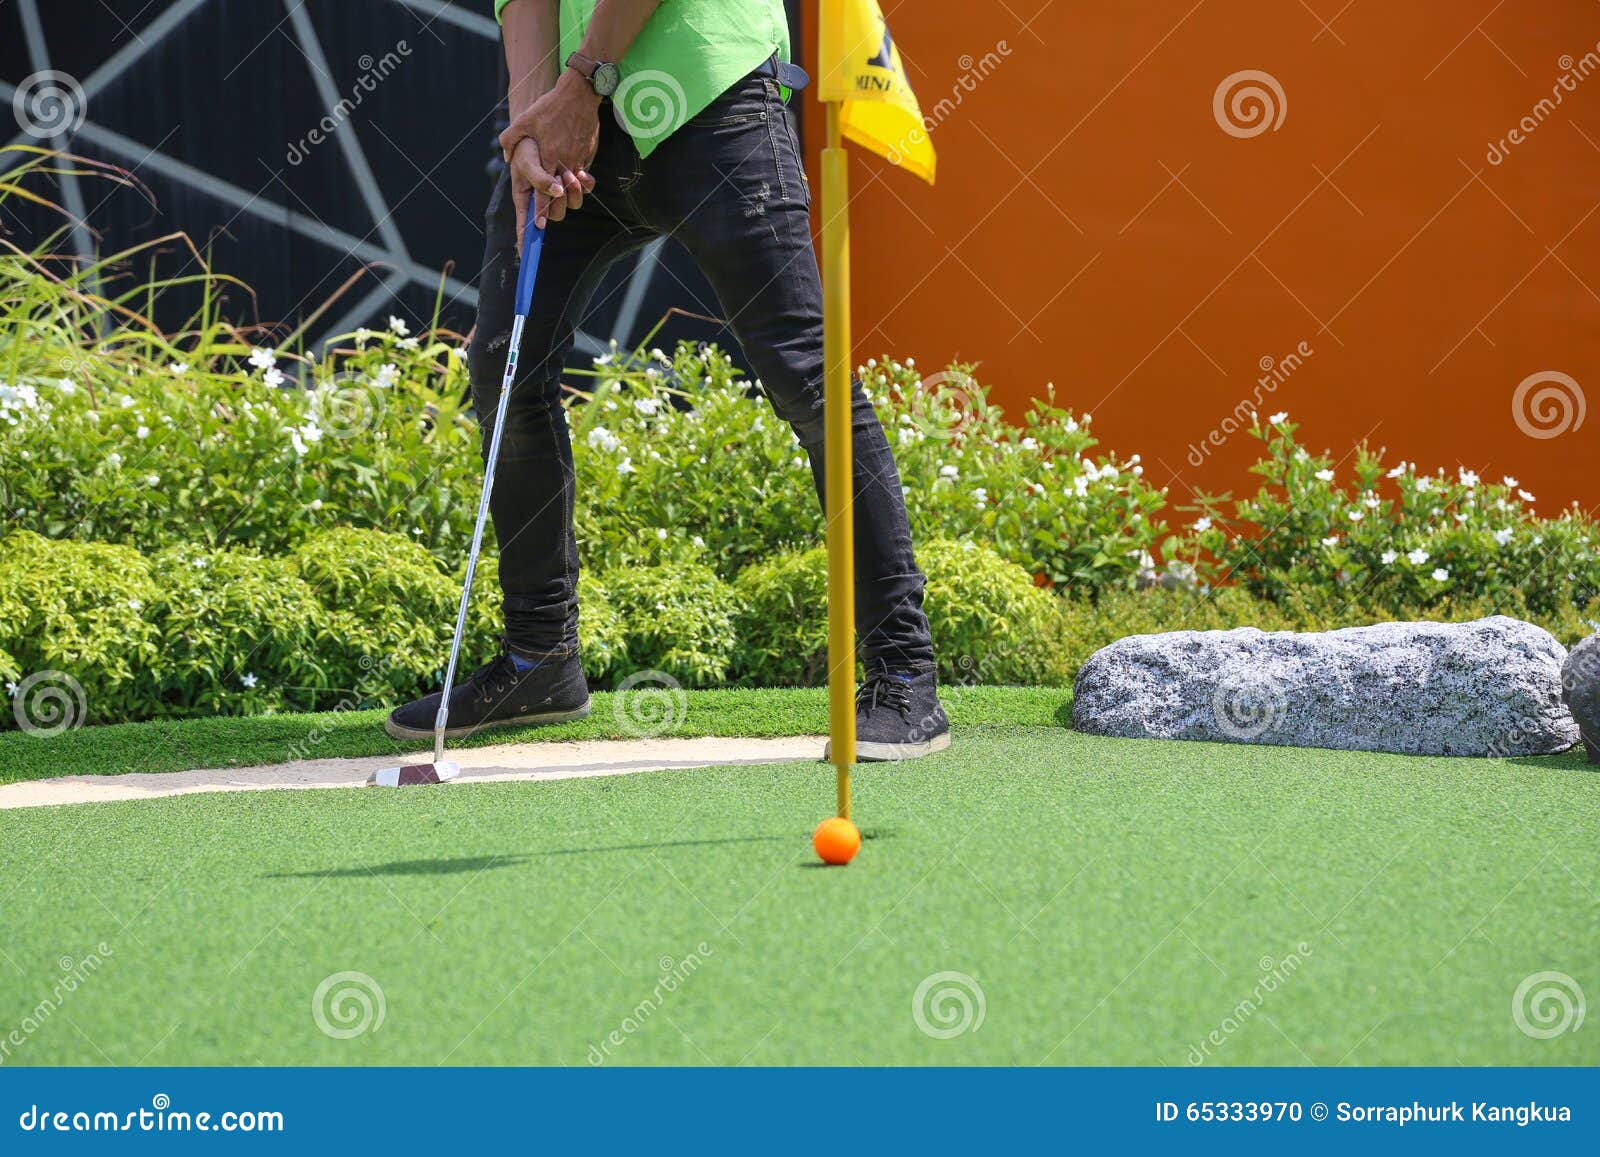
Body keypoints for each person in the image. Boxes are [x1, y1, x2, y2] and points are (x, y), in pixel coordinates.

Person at [386, 0, 948, 760]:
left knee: (803, 374)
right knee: (506, 365)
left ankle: (902, 672)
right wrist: (532, 127)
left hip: (711, 94)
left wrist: (583, 82)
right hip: (574, 123)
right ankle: (539, 662)